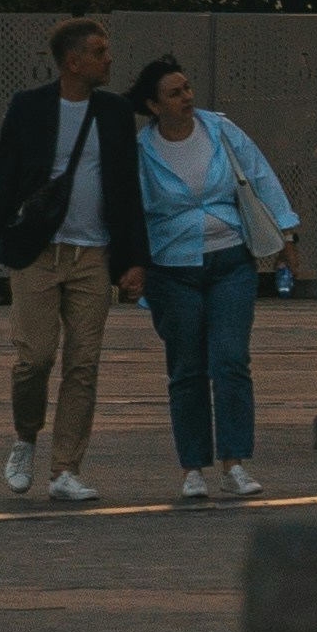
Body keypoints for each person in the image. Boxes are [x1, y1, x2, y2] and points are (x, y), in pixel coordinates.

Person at [0, 17, 151, 506]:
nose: (109, 58)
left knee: (83, 363)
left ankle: (66, 468)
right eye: (99, 51)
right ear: (73, 61)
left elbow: (127, 189)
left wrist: (133, 260)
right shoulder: (30, 107)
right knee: (35, 358)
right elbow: (1, 179)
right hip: (38, 255)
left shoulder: (114, 112)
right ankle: (25, 438)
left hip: (93, 254)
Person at [128, 52, 299, 502]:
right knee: (186, 369)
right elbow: (132, 211)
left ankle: (235, 463)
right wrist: (133, 265)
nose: (186, 97)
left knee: (230, 360)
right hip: (172, 269)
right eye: (174, 93)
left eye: (186, 88)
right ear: (153, 106)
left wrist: (286, 233)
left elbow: (260, 175)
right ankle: (193, 468)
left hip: (231, 262)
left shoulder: (220, 130)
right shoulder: (143, 151)